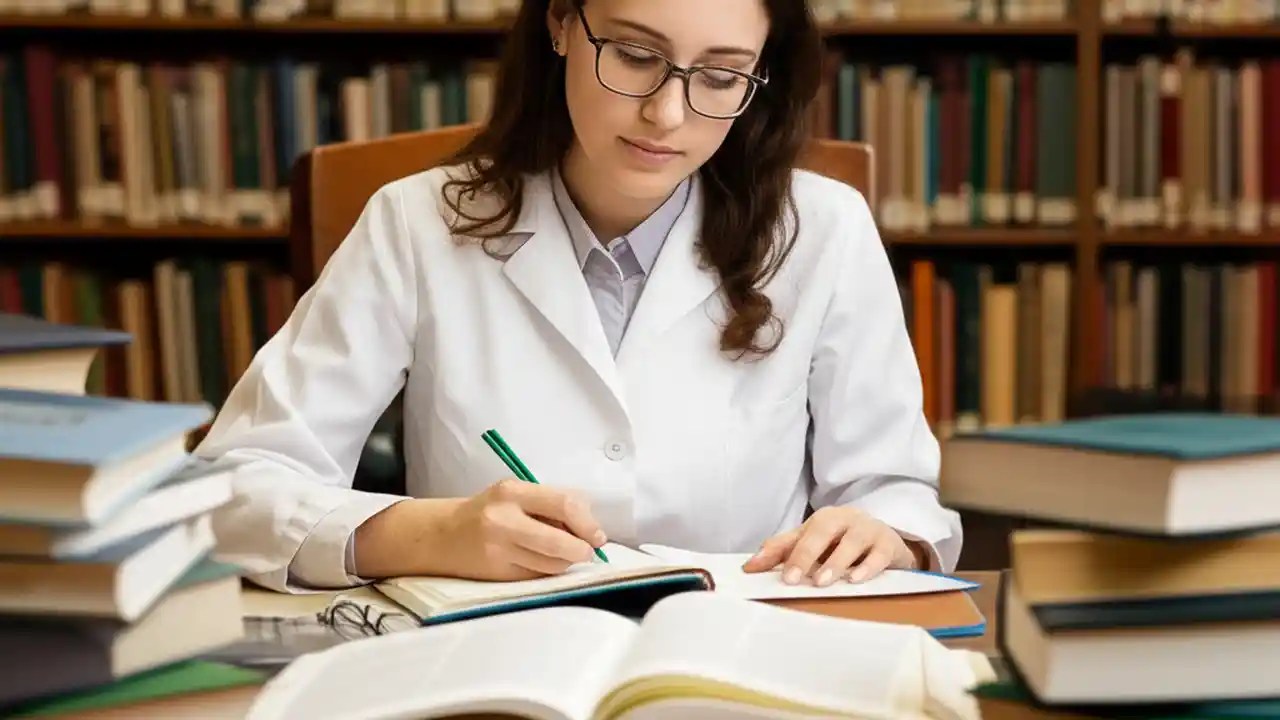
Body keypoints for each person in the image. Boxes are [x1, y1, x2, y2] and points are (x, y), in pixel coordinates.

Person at [197, 0, 963, 594]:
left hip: (739, 662)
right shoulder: (418, 222)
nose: (668, 115)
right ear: (562, 23)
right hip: (491, 664)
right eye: (635, 56)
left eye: (722, 76)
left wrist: (884, 532)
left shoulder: (822, 230)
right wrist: (428, 535)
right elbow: (235, 489)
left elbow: (892, 489)